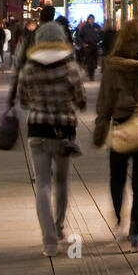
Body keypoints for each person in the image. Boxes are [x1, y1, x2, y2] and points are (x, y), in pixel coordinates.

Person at [15, 21, 87, 256]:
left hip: (37, 130)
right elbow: (81, 99)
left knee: (42, 184)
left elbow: (23, 100)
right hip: (63, 131)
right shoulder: (71, 68)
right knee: (62, 181)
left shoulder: (29, 69)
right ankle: (59, 227)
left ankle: (49, 242)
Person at [93, 20, 138, 252]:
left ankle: (119, 221)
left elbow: (105, 102)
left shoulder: (113, 66)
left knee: (117, 176)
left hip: (121, 125)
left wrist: (99, 133)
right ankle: (136, 235)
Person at [76, 14, 102, 81]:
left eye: (92, 19)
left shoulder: (96, 26)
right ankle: (91, 75)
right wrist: (83, 43)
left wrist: (98, 40)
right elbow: (79, 36)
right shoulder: (85, 27)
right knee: (89, 62)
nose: (91, 20)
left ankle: (91, 72)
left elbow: (101, 34)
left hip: (94, 46)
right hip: (87, 46)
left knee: (94, 61)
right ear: (88, 20)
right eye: (90, 19)